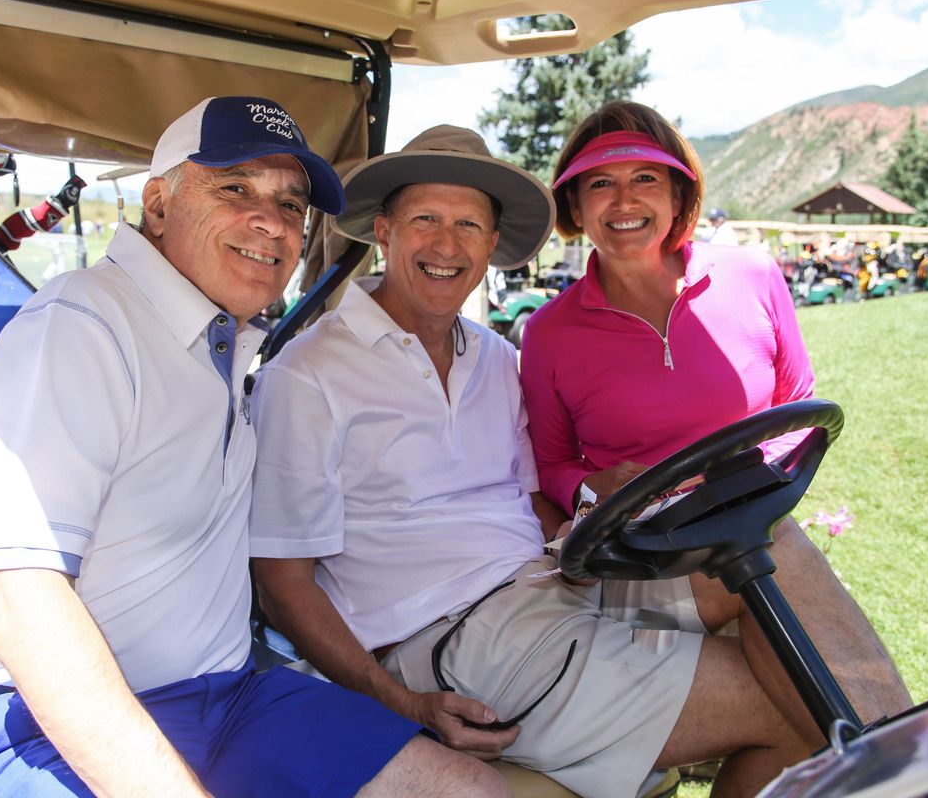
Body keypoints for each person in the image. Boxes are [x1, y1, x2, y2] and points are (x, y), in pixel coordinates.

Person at [0, 98, 509, 798]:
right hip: (28, 725)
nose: (271, 222)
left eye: (292, 205)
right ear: (157, 203)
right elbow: (19, 600)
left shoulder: (228, 348)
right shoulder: (82, 322)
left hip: (227, 699)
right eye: (235, 188)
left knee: (472, 791)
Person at [248, 126, 712, 798]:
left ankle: (902, 736)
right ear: (384, 231)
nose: (446, 244)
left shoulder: (494, 356)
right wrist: (393, 700)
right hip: (445, 635)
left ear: (492, 246)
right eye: (425, 220)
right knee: (774, 698)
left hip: (548, 589)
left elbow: (529, 500)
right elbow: (281, 579)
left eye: (468, 224)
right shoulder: (310, 372)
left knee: (757, 577)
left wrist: (587, 527)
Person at [519, 100, 913, 795]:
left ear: (679, 194)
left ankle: (889, 755)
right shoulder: (550, 333)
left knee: (799, 705)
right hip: (639, 561)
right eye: (600, 183)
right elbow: (550, 465)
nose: (624, 200)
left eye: (646, 178)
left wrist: (747, 482)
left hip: (743, 529)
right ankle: (903, 764)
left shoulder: (752, 274)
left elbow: (798, 399)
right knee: (780, 555)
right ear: (575, 203)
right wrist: (594, 486)